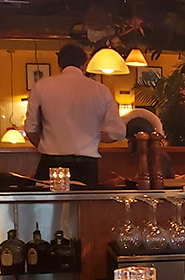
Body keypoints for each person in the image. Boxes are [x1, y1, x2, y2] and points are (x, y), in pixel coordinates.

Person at [25, 43, 126, 188]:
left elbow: (30, 129)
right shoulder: (101, 90)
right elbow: (118, 132)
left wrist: (45, 144)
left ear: (59, 65)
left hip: (51, 163)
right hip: (86, 166)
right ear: (84, 66)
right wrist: (93, 137)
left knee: (46, 209)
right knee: (84, 210)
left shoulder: (41, 86)